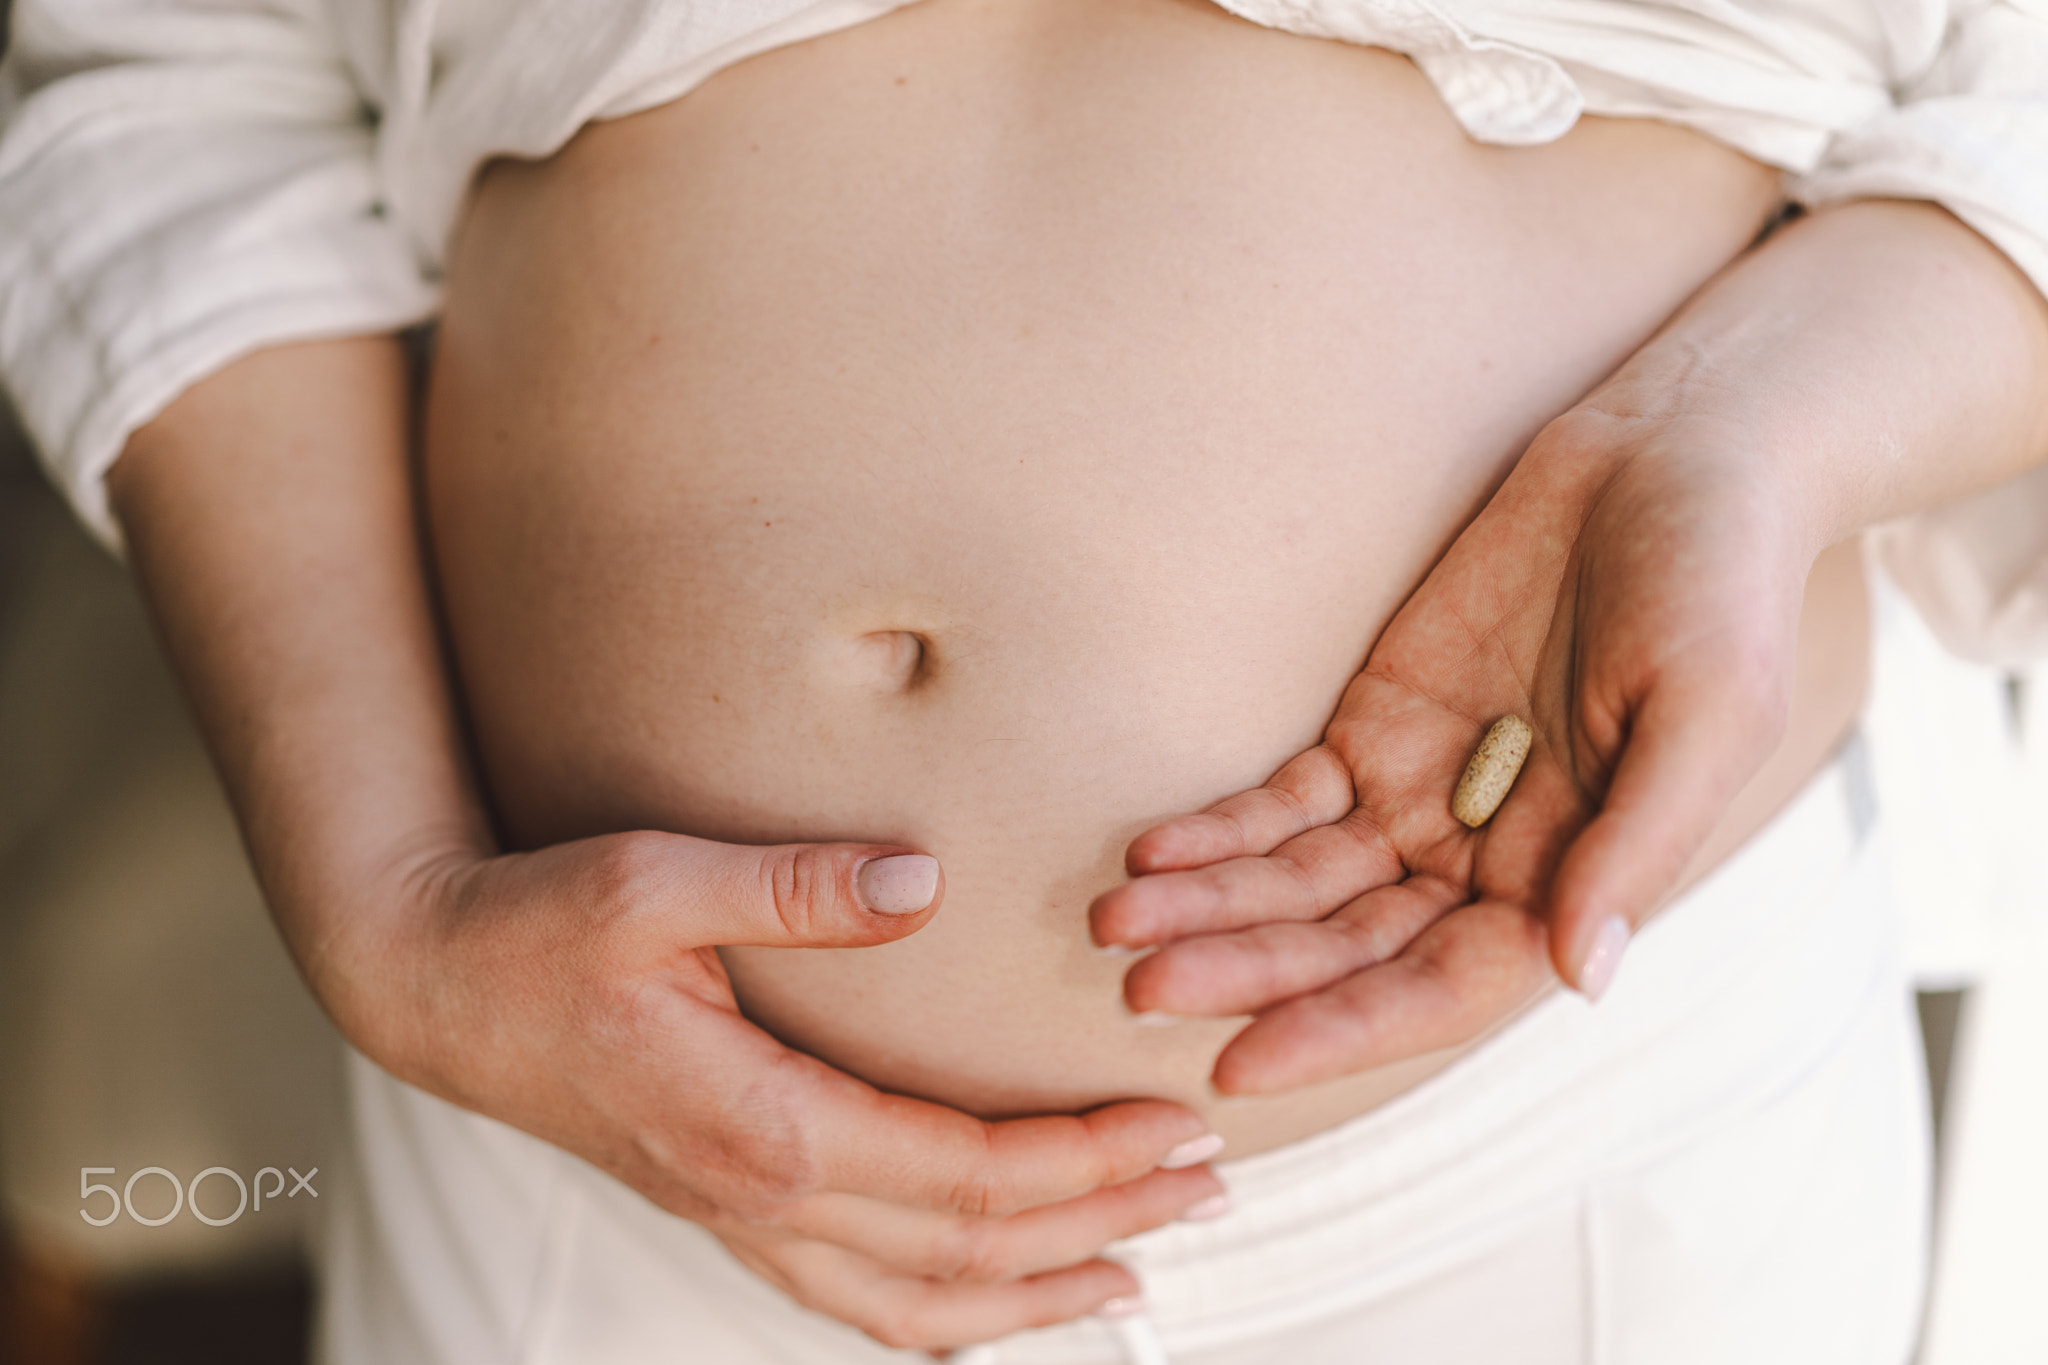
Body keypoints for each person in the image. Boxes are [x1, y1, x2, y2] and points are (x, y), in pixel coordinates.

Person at [3, 0, 2047, 1361]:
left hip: (1552, 1139)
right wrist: (386, 908)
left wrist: (1740, 429)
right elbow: (176, 90)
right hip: (595, 1159)